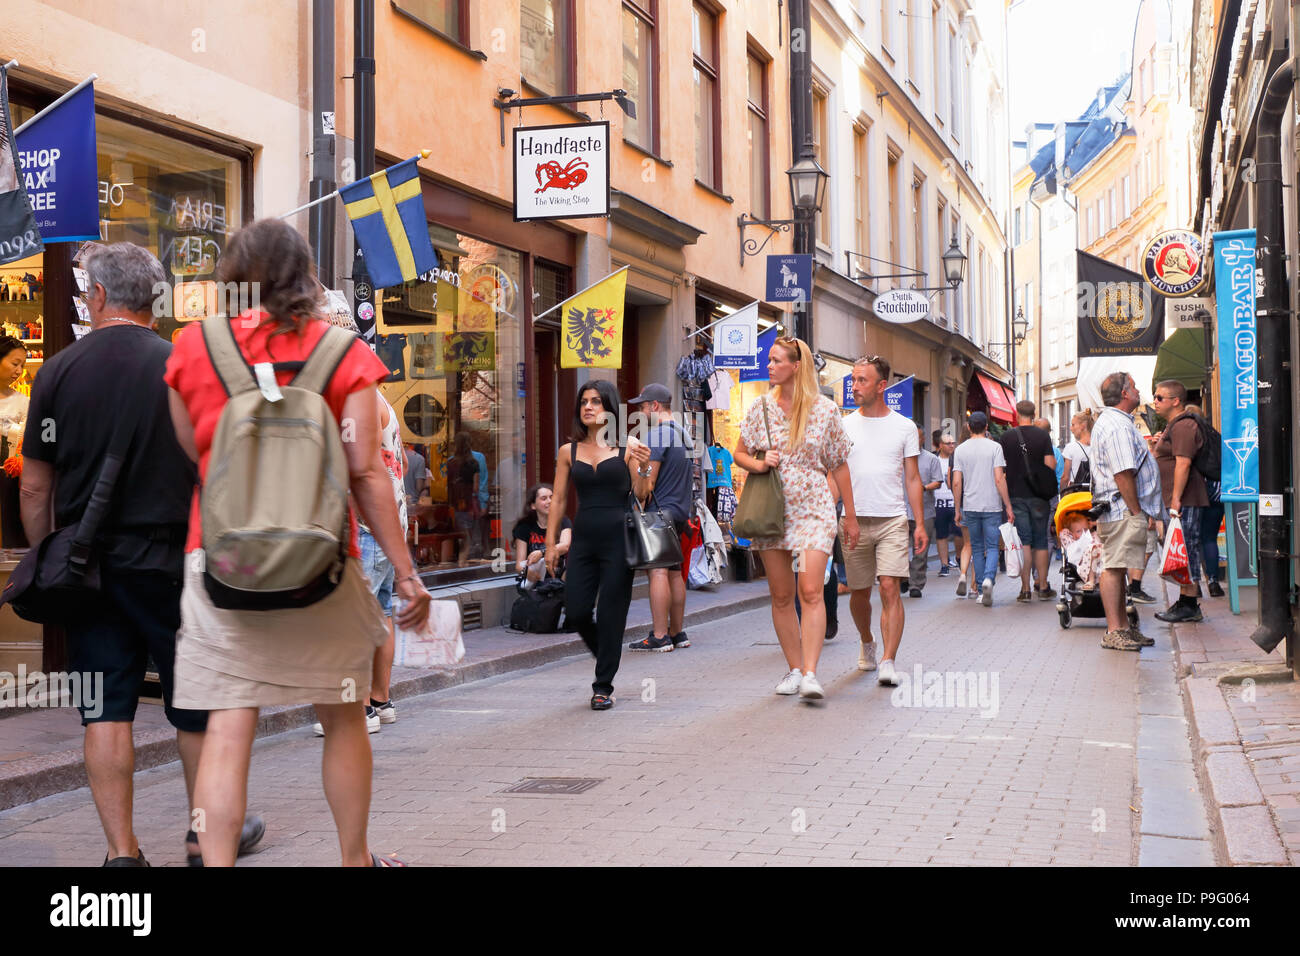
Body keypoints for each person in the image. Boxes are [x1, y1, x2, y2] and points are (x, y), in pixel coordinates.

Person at [165, 219, 430, 866]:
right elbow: (366, 472)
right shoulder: (344, 357)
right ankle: (354, 860)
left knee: (229, 726)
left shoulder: (195, 347)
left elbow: (194, 453)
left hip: (221, 564)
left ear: (235, 272)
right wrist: (407, 572)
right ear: (305, 275)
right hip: (322, 567)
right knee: (342, 715)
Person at [20, 242, 265, 866]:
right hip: (177, 562)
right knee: (192, 703)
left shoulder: (56, 371)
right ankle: (205, 832)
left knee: (104, 708)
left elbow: (34, 483)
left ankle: (122, 854)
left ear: (98, 297)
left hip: (91, 565)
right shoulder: (187, 366)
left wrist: (49, 549)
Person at [733, 337, 858, 701]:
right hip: (773, 508)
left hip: (815, 507)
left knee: (810, 591)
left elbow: (840, 463)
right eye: (769, 360)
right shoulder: (760, 408)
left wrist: (850, 515)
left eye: (775, 361)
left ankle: (812, 674)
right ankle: (794, 669)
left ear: (796, 366)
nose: (769, 366)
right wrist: (759, 463)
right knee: (782, 594)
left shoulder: (825, 410)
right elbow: (739, 453)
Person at [546, 379, 652, 710]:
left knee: (610, 615)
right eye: (584, 402)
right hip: (584, 539)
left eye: (596, 401)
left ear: (609, 407)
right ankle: (607, 653)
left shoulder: (627, 447)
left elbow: (642, 495)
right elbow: (560, 499)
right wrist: (551, 543)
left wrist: (645, 466)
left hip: (619, 539)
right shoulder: (569, 451)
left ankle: (602, 685)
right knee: (576, 611)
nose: (588, 407)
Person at [313, 392, 407, 736]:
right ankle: (380, 701)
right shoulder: (382, 401)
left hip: (363, 526)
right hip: (388, 523)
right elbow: (401, 464)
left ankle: (360, 707)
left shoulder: (357, 403)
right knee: (380, 612)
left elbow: (356, 466)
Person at [838, 355, 924, 686]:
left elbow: (913, 478)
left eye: (861, 380)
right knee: (859, 592)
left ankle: (889, 660)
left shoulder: (903, 427)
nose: (854, 386)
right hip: (853, 520)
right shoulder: (844, 425)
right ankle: (867, 641)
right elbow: (835, 474)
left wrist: (919, 522)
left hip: (892, 519)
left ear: (881, 385)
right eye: (853, 379)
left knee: (889, 586)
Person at [1089, 371, 1162, 651]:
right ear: (1124, 394)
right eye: (1133, 386)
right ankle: (1115, 630)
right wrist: (1135, 511)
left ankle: (1123, 628)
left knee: (1118, 568)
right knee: (1114, 568)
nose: (1138, 390)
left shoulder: (1116, 422)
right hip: (1122, 509)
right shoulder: (1117, 427)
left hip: (1120, 508)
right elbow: (1122, 473)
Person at [626, 383, 693, 652]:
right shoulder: (684, 434)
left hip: (658, 512)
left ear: (655, 406)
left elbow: (646, 485)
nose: (641, 412)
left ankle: (660, 635)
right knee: (675, 573)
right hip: (679, 512)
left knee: (658, 573)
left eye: (643, 407)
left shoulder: (656, 436)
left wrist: (631, 457)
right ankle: (678, 633)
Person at [1151, 380, 1207, 624]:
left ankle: (1189, 603)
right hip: (1179, 499)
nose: (1155, 401)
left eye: (1160, 397)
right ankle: (1186, 600)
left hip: (1185, 499)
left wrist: (1175, 500)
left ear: (1175, 401)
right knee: (1182, 547)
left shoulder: (1183, 425)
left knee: (1186, 547)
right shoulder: (1174, 425)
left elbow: (1183, 463)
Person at [950, 412, 1015, 607]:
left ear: (969, 427)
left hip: (971, 505)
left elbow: (956, 482)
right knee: (993, 546)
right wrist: (1008, 505)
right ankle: (988, 579)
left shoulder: (960, 450)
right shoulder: (995, 447)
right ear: (986, 427)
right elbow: (999, 478)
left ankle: (979, 588)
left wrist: (957, 508)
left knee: (976, 547)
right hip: (992, 505)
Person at [998, 400, 1057, 602]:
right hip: (1039, 495)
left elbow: (1001, 469)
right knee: (1040, 540)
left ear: (1016, 415)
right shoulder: (1043, 436)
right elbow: (1051, 464)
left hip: (1016, 494)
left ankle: (1025, 590)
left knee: (1024, 541)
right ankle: (1042, 585)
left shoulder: (1006, 437)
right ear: (1034, 414)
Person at [1184, 404, 1225, 597]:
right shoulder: (1215, 435)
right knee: (1209, 538)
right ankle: (1214, 582)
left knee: (1193, 539)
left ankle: (1196, 585)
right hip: (1218, 490)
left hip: (1197, 491)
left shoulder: (1190, 435)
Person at [904, 425, 944, 599]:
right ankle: (903, 577)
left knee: (921, 550)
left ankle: (916, 585)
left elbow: (938, 481)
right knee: (899, 549)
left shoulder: (931, 459)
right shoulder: (899, 459)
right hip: (901, 510)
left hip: (925, 510)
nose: (914, 440)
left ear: (923, 439)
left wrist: (925, 488)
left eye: (918, 437)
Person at [0, 334, 29, 547]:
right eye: (14, 363)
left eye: (22, 365)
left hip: (8, 481)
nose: (19, 371)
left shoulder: (23, 402)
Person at [513, 483, 570, 587]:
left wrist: (542, 553)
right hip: (536, 584)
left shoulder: (563, 521)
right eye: (544, 498)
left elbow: (565, 546)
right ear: (533, 505)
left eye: (552, 497)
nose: (550, 501)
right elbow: (519, 565)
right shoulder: (524, 527)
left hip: (560, 580)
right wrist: (528, 574)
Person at [446, 432, 481, 565]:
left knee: (457, 530)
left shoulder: (450, 463)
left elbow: (447, 485)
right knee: (467, 533)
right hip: (468, 501)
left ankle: (458, 559)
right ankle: (462, 560)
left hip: (454, 501)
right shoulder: (474, 463)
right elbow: (476, 487)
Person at [1058, 510, 1102, 589]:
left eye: (1085, 530)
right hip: (1084, 566)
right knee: (1093, 548)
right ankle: (1091, 580)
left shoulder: (1093, 535)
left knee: (1100, 547)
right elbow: (1063, 534)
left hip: (1100, 564)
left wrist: (1094, 523)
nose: (1083, 534)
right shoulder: (1072, 542)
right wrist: (1067, 530)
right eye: (1078, 531)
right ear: (1071, 534)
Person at [933, 432, 957, 576]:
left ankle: (960, 557)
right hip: (939, 503)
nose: (951, 446)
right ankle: (944, 564)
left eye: (953, 443)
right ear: (941, 445)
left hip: (955, 503)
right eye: (948, 443)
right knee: (941, 535)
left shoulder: (957, 459)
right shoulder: (934, 460)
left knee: (959, 534)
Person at [1060, 411, 1094, 490]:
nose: (1071, 428)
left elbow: (1065, 477)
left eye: (1073, 425)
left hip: (1077, 491)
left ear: (1083, 426)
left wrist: (1062, 494)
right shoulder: (1098, 444)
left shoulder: (1071, 447)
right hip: (1095, 491)